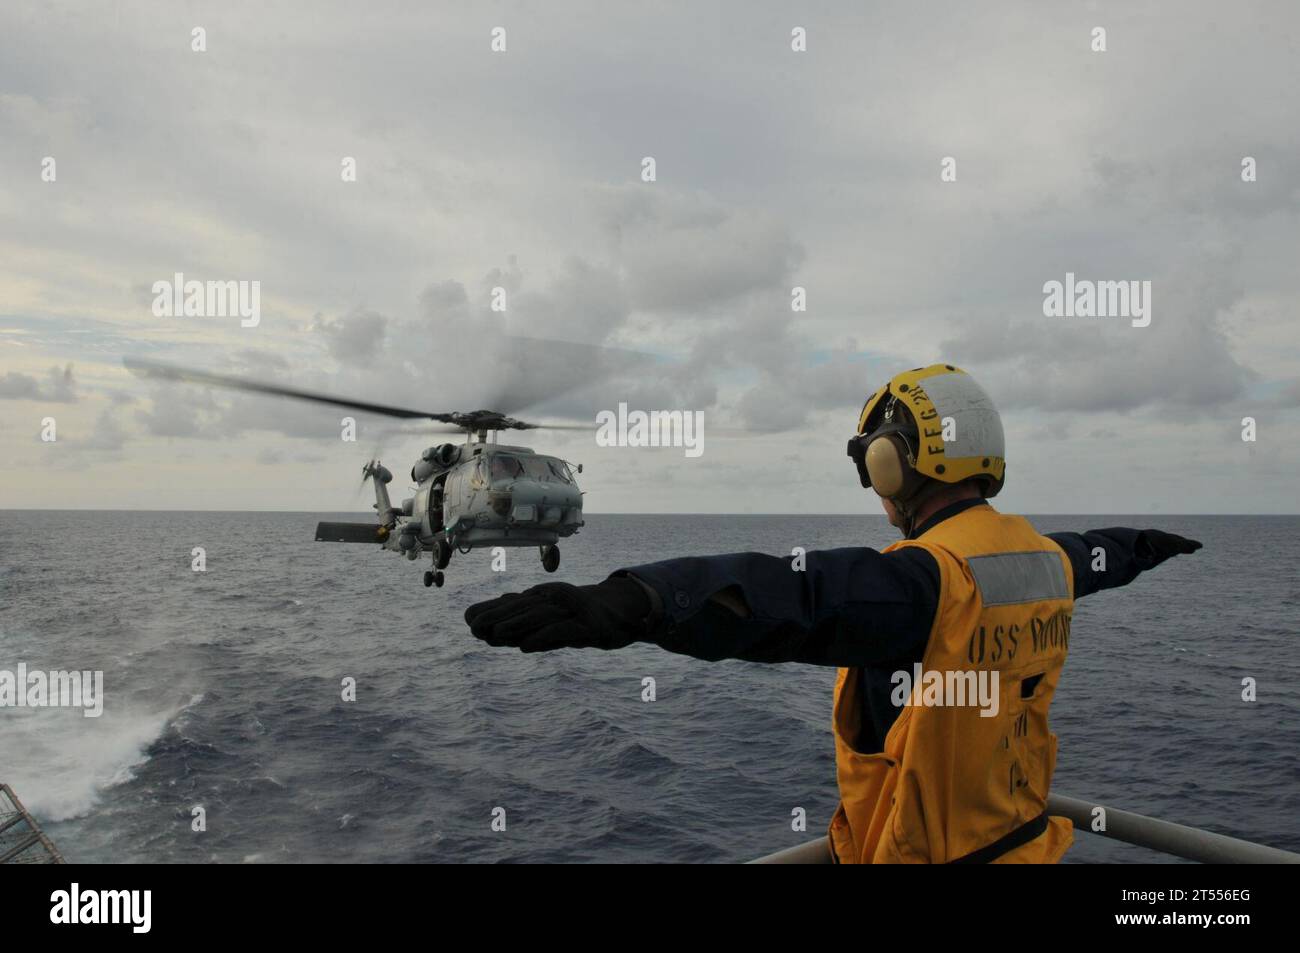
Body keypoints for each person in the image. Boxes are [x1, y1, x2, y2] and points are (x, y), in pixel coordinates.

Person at [463, 364, 1202, 863]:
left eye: (869, 462)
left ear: (895, 464)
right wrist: (1148, 544)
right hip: (1026, 843)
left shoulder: (923, 581)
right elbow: (1100, 553)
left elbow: (792, 595)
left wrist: (631, 603)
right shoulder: (1040, 559)